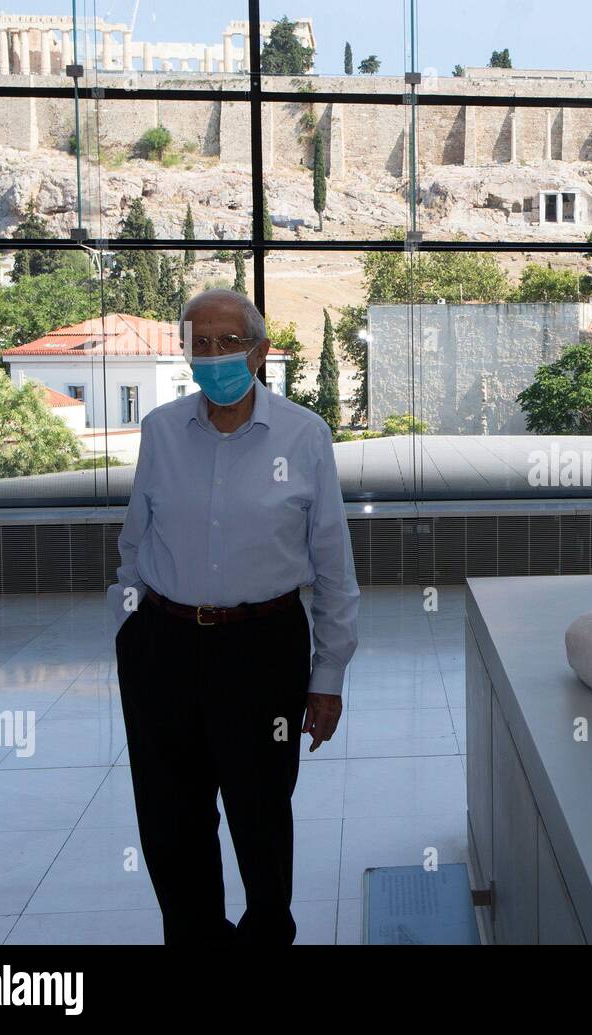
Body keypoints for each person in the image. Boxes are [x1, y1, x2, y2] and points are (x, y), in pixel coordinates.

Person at [108, 288, 359, 945]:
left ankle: (268, 933)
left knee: (260, 814)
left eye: (228, 341)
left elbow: (333, 566)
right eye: (200, 342)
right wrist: (129, 631)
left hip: (262, 648)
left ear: (260, 349)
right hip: (162, 645)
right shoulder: (161, 430)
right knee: (171, 820)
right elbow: (134, 544)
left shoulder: (305, 436)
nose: (214, 355)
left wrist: (327, 675)